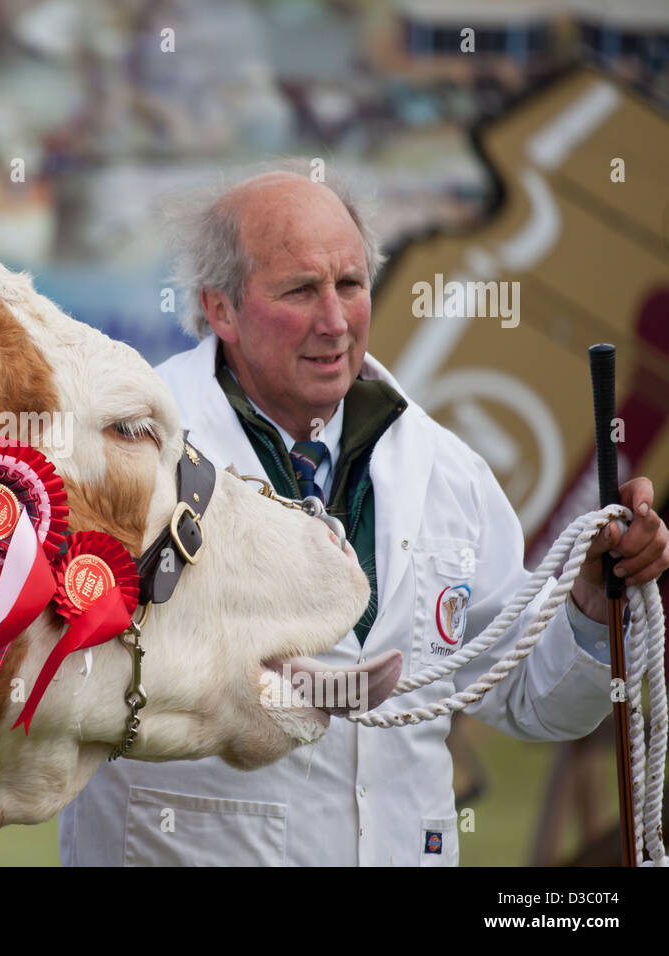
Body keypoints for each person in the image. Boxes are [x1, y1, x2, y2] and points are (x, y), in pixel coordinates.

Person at [58, 167, 669, 866]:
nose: (335, 320)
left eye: (350, 284)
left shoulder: (448, 471)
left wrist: (591, 603)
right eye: (299, 290)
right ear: (219, 309)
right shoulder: (120, 454)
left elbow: (535, 701)